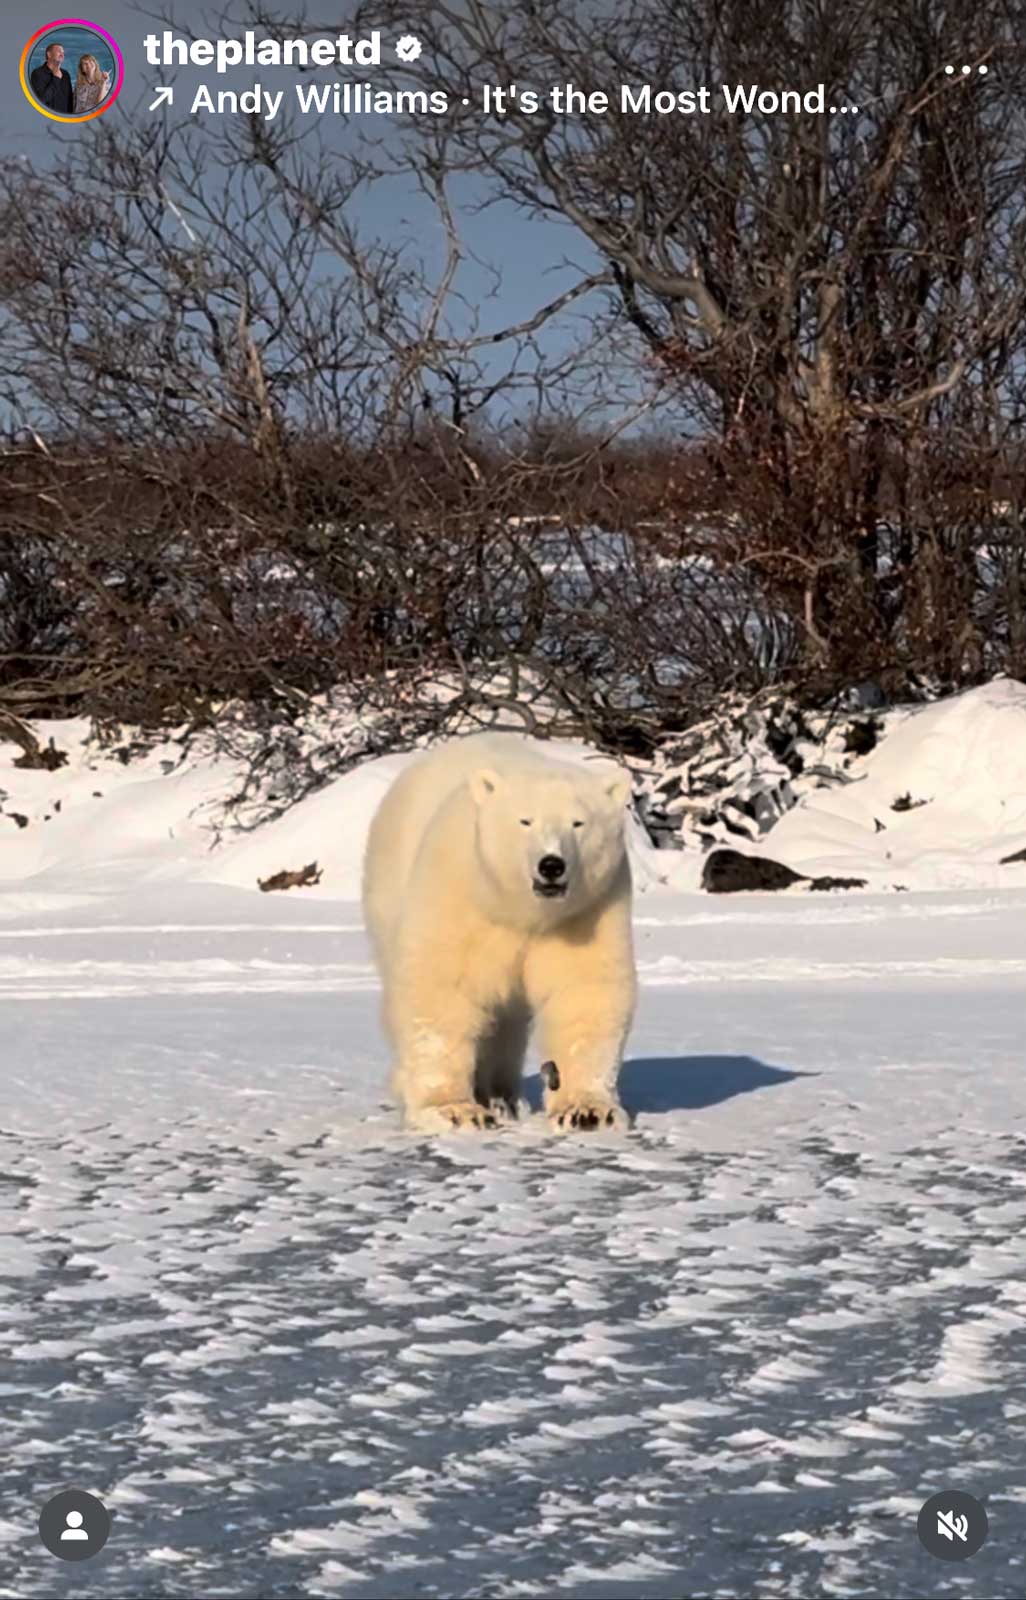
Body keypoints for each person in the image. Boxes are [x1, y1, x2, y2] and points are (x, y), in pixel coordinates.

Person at [29, 40, 73, 116]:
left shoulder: (66, 74)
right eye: (59, 51)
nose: (62, 54)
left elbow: (70, 101)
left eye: (63, 53)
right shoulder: (37, 74)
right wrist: (56, 78)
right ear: (49, 54)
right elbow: (41, 100)